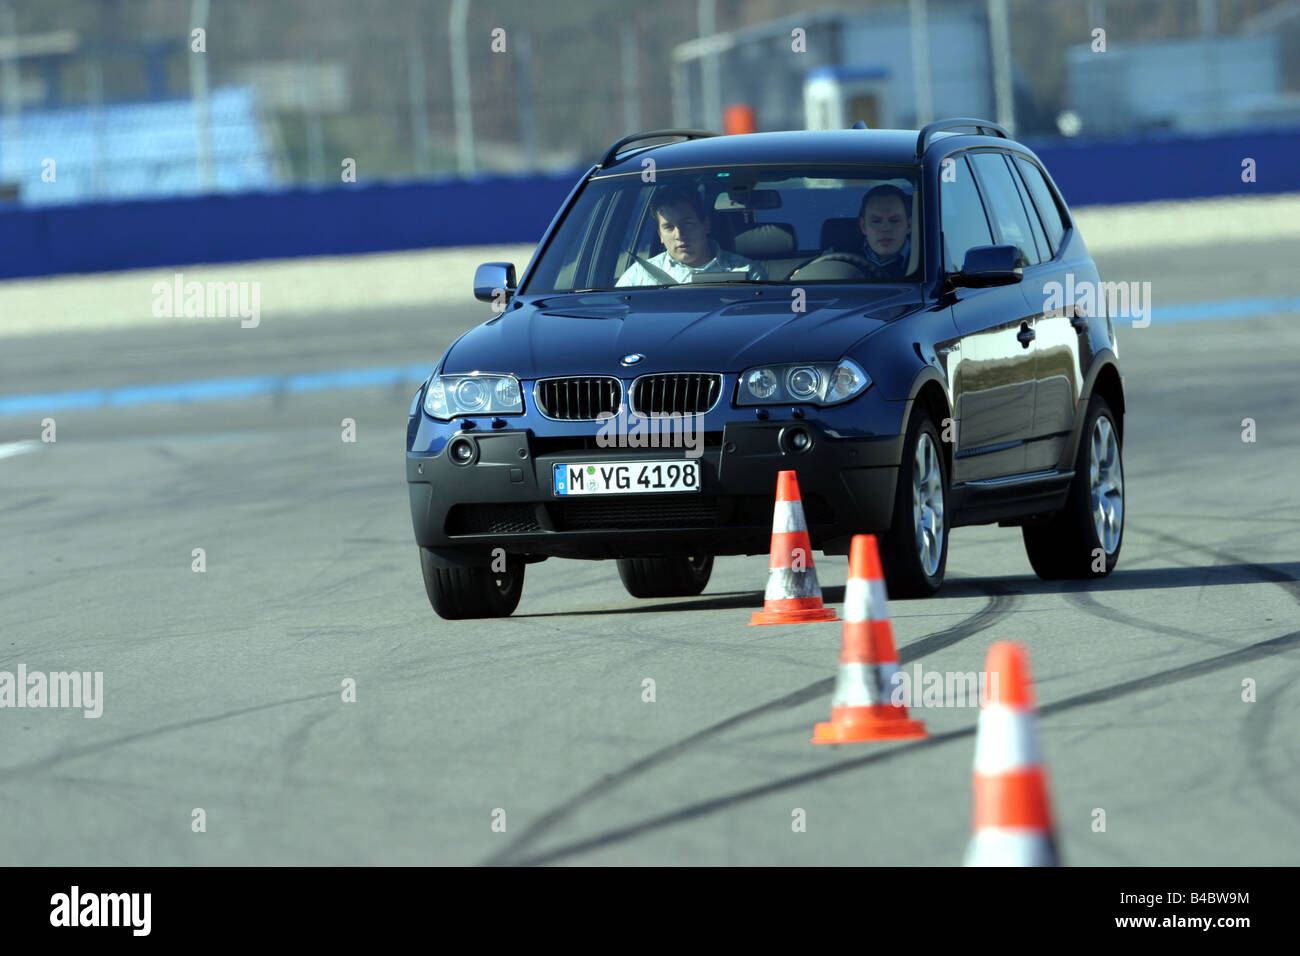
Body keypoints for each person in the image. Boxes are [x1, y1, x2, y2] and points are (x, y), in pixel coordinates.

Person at [616, 186, 767, 286]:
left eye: (687, 224)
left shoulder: (747, 273)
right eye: (669, 227)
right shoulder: (639, 276)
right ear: (660, 235)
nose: (679, 235)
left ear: (706, 225)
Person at [832, 183, 913, 280]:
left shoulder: (930, 261)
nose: (885, 228)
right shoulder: (836, 258)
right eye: (876, 221)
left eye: (894, 221)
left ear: (909, 225)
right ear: (863, 227)